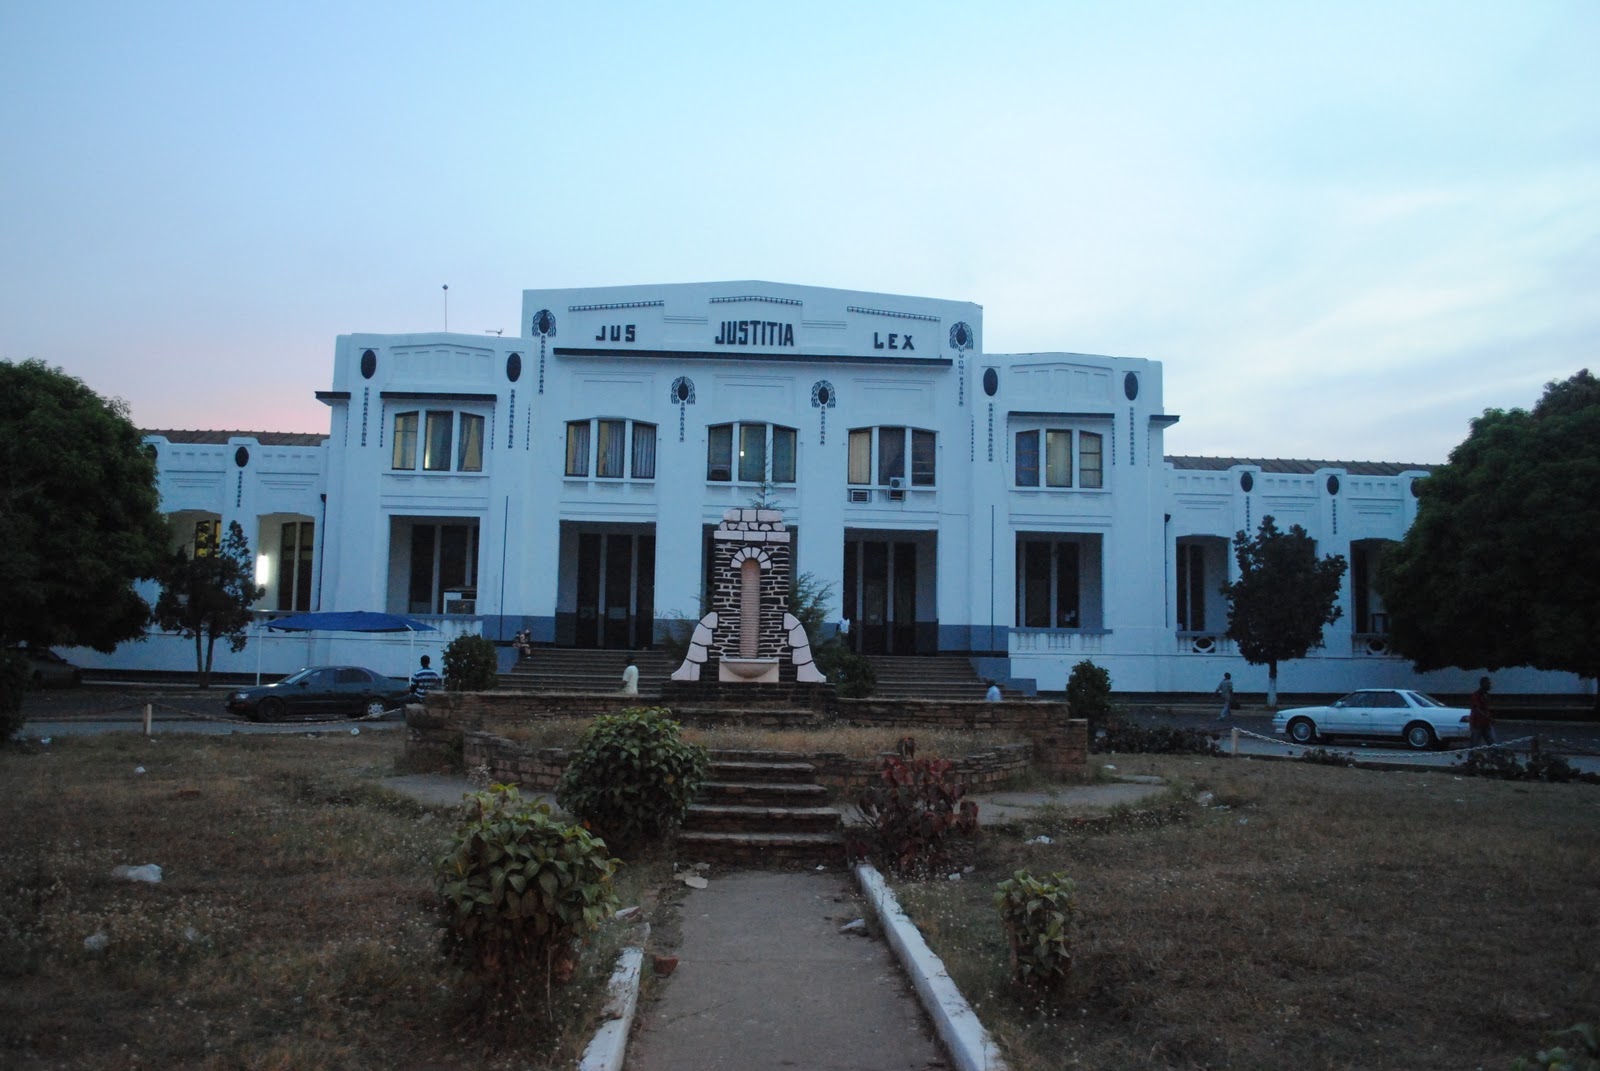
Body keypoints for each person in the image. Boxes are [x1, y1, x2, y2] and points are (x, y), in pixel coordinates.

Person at [1469, 676, 1496, 747]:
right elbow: (1477, 709)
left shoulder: (1486, 695)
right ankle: (1471, 757)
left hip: (1486, 723)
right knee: (1474, 743)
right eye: (1488, 683)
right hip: (1477, 723)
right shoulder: (1476, 695)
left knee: (1492, 742)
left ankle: (1495, 756)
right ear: (1483, 684)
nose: (1490, 685)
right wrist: (1488, 718)